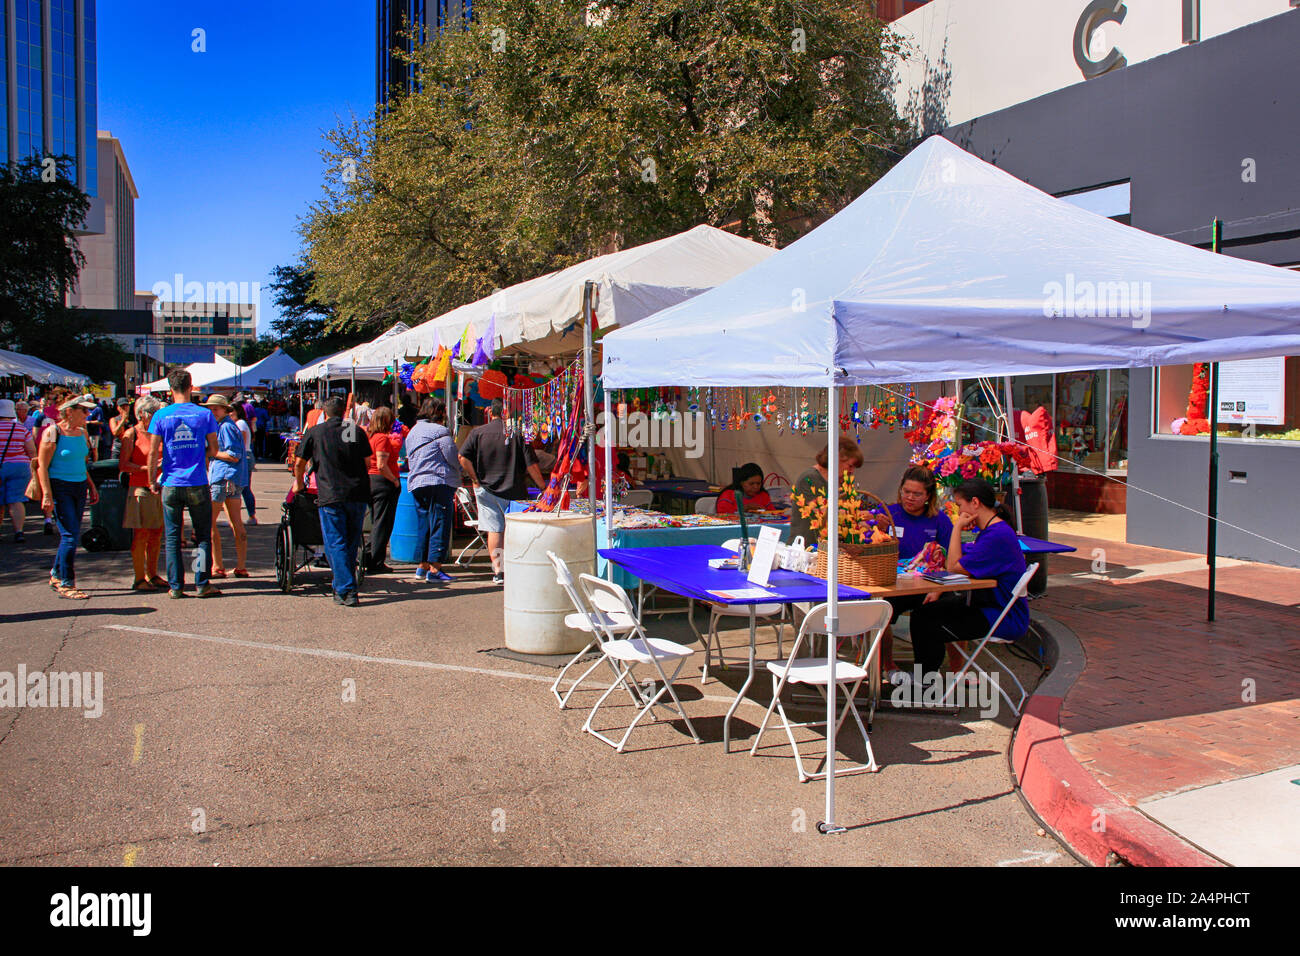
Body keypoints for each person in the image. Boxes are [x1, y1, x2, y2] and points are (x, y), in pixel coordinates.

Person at [908, 478, 1029, 679]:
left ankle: (925, 682)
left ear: (975, 503)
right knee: (923, 614)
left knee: (927, 622)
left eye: (959, 505)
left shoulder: (996, 535)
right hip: (991, 607)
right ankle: (925, 678)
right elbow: (961, 560)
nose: (958, 511)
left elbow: (954, 566)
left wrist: (956, 528)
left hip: (1000, 616)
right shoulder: (993, 531)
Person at [148, 369, 221, 599]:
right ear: (191, 387)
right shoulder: (204, 415)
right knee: (201, 535)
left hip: (171, 482)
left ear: (171, 390)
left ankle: (176, 586)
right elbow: (215, 448)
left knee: (172, 537)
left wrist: (152, 480)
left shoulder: (161, 416)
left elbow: (152, 453)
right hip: (197, 481)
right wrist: (203, 456)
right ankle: (201, 582)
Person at [293, 395, 371, 606]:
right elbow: (367, 461)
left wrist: (299, 483)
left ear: (324, 413)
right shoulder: (356, 431)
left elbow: (299, 462)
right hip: (357, 492)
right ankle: (342, 585)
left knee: (335, 541)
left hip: (331, 492)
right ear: (343, 412)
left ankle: (347, 588)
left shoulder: (316, 432)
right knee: (351, 540)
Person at [458, 397, 545, 585]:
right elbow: (532, 465)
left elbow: (462, 458)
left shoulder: (477, 433)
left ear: (491, 412)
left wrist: (475, 479)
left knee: (494, 530)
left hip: (486, 490)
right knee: (514, 529)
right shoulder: (518, 434)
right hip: (514, 490)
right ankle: (515, 566)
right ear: (508, 414)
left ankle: (498, 571)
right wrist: (543, 487)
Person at [880, 465, 955, 676]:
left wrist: (938, 589)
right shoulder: (888, 513)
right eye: (906, 492)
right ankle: (888, 667)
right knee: (877, 610)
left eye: (917, 494)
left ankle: (946, 670)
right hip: (894, 586)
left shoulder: (940, 520)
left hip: (930, 586)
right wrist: (877, 528)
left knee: (938, 612)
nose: (910, 498)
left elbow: (951, 560)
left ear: (928, 495)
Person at [36, 394, 100, 599]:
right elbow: (42, 467)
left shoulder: (82, 432)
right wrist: (46, 494)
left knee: (71, 533)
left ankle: (56, 574)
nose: (88, 414)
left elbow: (82, 463)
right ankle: (66, 582)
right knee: (70, 536)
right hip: (60, 487)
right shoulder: (52, 433)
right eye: (84, 411)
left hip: (79, 485)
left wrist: (91, 486)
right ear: (70, 412)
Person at [405, 398, 460, 585]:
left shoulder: (412, 431)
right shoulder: (440, 432)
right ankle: (435, 568)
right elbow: (451, 457)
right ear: (440, 412)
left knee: (424, 523)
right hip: (438, 481)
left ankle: (422, 565)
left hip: (417, 482)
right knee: (440, 522)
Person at [119, 397, 166, 591]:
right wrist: (149, 468)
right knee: (141, 534)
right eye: (155, 413)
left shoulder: (159, 433)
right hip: (140, 487)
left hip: (160, 488)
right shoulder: (131, 434)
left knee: (157, 533)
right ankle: (139, 578)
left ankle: (152, 574)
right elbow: (123, 465)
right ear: (144, 415)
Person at [788, 435, 864, 545]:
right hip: (806, 549)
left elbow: (849, 516)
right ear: (837, 458)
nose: (852, 471)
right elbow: (826, 514)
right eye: (850, 466)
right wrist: (867, 515)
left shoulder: (842, 482)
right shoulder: (809, 479)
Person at [203, 395, 248, 579]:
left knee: (209, 522)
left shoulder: (226, 427)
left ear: (224, 409)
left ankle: (218, 565)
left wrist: (213, 453)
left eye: (216, 409)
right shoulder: (225, 425)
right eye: (211, 408)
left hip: (224, 477)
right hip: (231, 477)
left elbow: (233, 455)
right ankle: (240, 566)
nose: (213, 412)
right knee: (235, 522)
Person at [365, 405, 407, 574]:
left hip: (372, 480)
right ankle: (376, 561)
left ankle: (371, 556)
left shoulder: (371, 436)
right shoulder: (382, 438)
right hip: (383, 482)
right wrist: (394, 481)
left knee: (377, 522)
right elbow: (382, 465)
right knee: (382, 523)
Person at [0, 399, 37, 543]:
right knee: (16, 500)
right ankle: (19, 531)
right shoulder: (21, 429)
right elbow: (32, 451)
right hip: (20, 467)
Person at [229, 403, 257, 525]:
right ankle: (247, 517)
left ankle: (251, 516)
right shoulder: (241, 423)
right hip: (245, 456)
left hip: (244, 456)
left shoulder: (240, 423)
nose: (229, 414)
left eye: (231, 411)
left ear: (237, 412)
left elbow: (241, 441)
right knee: (243, 488)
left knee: (243, 488)